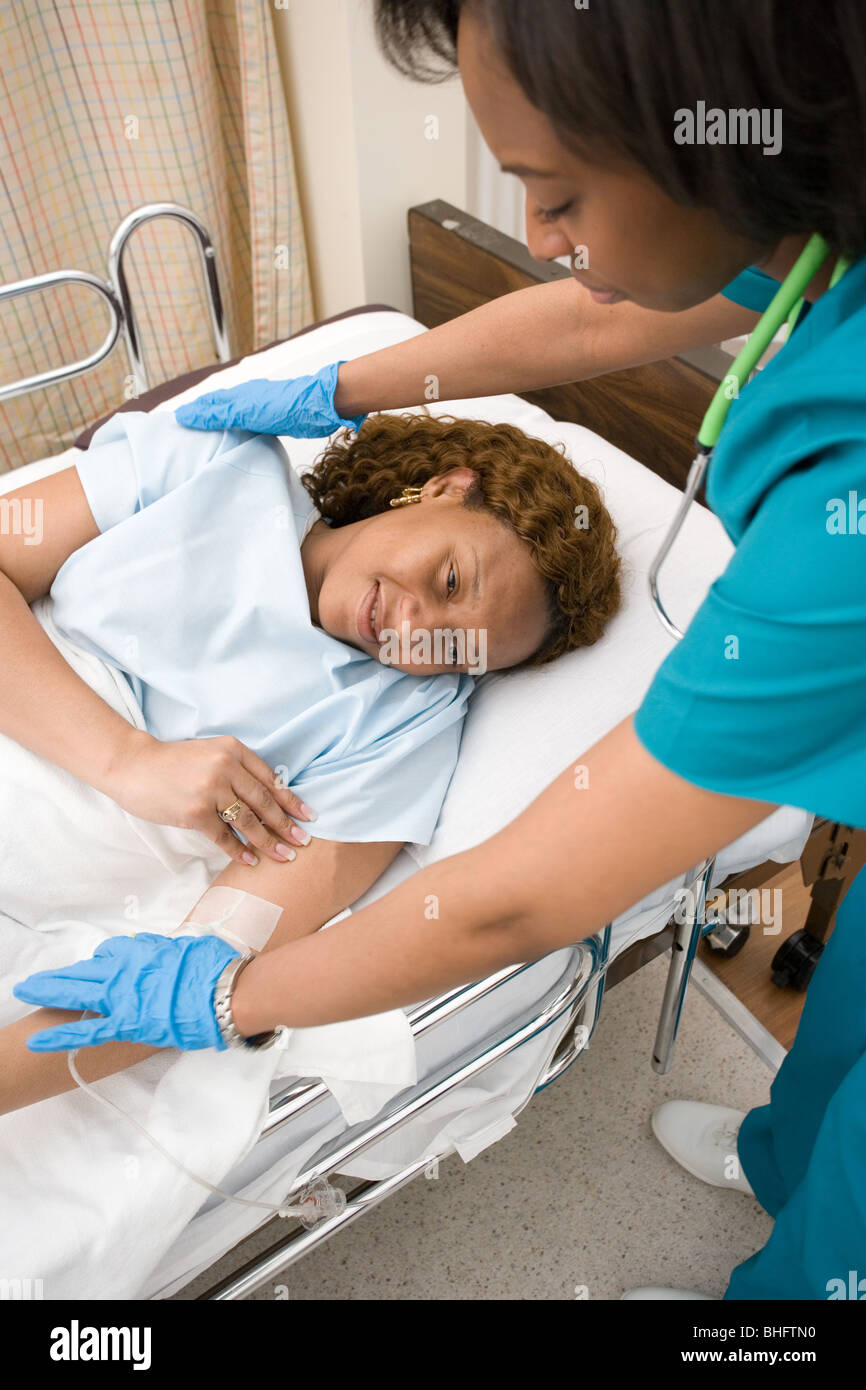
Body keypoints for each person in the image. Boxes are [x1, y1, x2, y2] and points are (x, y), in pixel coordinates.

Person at [15, 0, 866, 1300]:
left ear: (716, 147)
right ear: (429, 491)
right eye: (526, 185)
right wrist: (338, 385)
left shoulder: (828, 529)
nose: (537, 236)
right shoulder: (203, 462)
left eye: (557, 188)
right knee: (841, 1036)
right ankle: (779, 1153)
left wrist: (227, 994)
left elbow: (506, 899)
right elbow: (585, 322)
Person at [0, 402, 620, 1112]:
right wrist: (127, 758)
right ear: (445, 488)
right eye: (450, 580)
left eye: (455, 648)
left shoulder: (404, 726)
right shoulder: (212, 462)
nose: (414, 630)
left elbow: (194, 972)